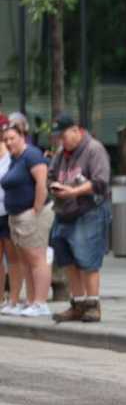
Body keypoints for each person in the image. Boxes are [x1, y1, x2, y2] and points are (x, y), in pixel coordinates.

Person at [46, 115, 112, 323]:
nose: (61, 141)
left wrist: (73, 191)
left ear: (76, 130)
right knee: (67, 260)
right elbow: (50, 175)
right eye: (58, 137)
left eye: (63, 136)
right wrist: (54, 186)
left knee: (88, 260)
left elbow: (100, 182)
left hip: (88, 211)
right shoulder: (60, 153)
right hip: (64, 212)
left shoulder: (94, 149)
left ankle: (93, 305)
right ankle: (78, 304)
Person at [0, 124, 52, 316]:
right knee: (27, 261)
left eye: (12, 138)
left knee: (37, 259)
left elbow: (41, 183)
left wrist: (35, 211)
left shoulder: (32, 155)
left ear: (22, 136)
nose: (8, 142)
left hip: (31, 216)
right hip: (17, 216)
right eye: (6, 139)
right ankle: (31, 301)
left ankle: (41, 303)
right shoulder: (15, 158)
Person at [0, 114, 24, 313]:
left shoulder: (12, 156)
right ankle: (0, 299)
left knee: (13, 258)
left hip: (9, 213)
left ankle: (14, 299)